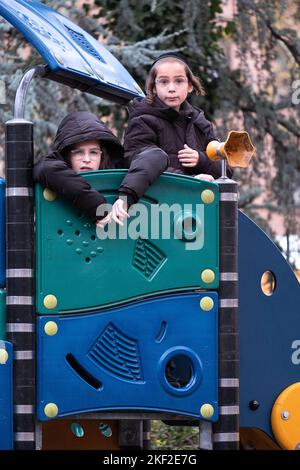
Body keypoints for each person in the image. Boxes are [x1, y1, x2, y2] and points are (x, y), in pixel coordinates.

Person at [101, 52, 232, 227]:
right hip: (156, 211)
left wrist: (201, 159)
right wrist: (191, 180)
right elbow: (138, 164)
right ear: (154, 88)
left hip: (197, 213)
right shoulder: (142, 120)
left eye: (179, 81)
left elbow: (226, 170)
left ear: (190, 86)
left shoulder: (200, 122)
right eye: (163, 81)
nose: (171, 88)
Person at [34, 111, 166, 224]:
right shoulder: (53, 166)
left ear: (102, 154)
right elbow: (44, 168)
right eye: (78, 152)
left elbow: (156, 155)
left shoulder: (116, 166)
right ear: (67, 155)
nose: (87, 159)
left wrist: (126, 198)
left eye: (93, 152)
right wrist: (98, 208)